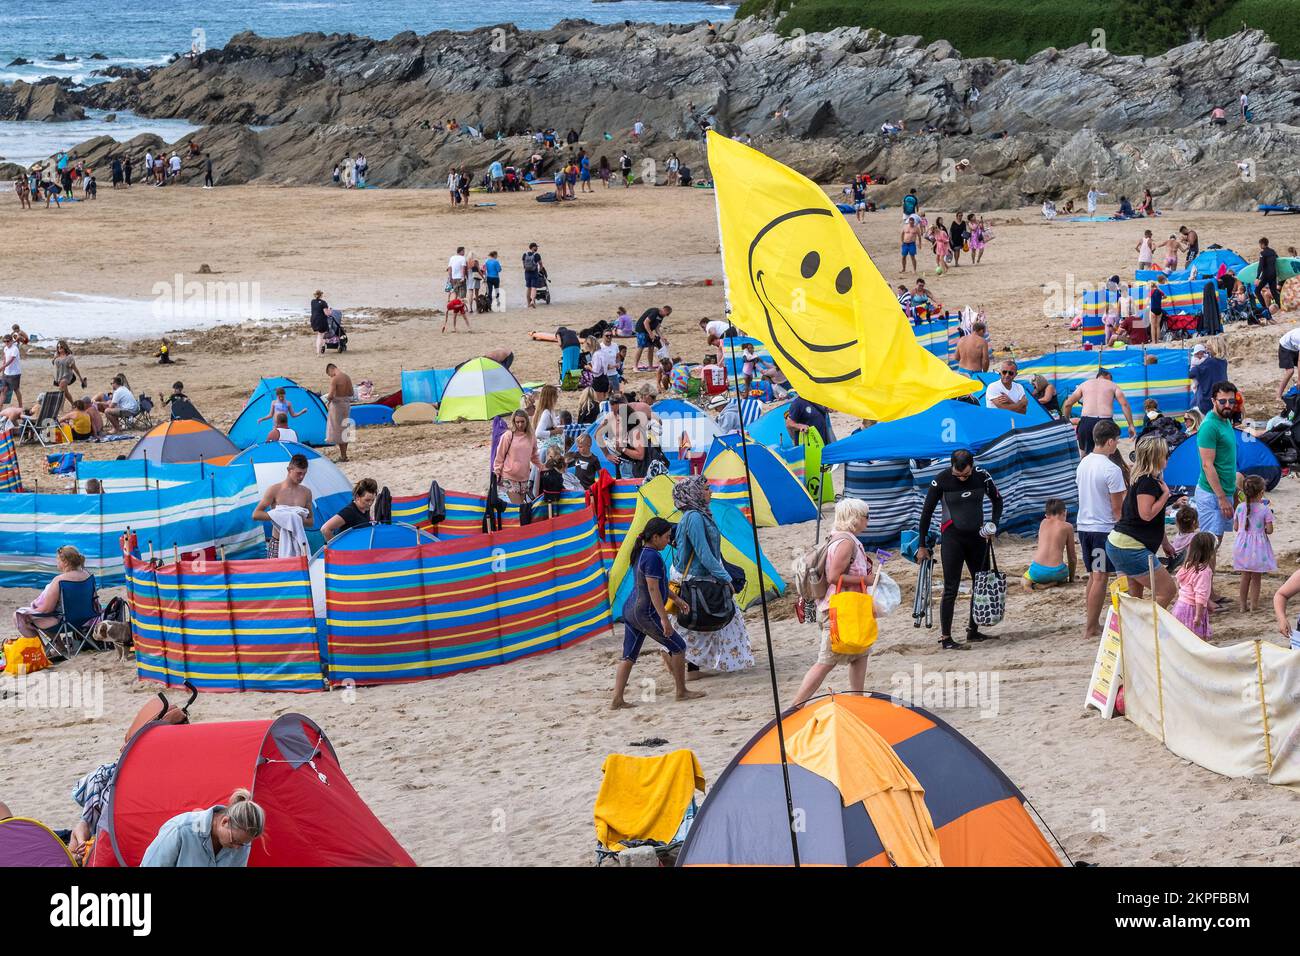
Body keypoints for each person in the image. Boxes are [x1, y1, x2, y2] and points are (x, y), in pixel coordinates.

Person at [611, 517, 704, 709]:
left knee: (628, 656)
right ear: (655, 537)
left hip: (630, 610)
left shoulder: (642, 552)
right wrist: (664, 619)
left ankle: (617, 700)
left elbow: (659, 585)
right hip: (645, 613)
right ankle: (681, 691)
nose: (668, 541)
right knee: (678, 646)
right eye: (666, 537)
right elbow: (653, 589)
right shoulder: (652, 557)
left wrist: (676, 599)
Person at [790, 498, 876, 707]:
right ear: (855, 519)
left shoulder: (840, 538)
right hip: (839, 608)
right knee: (826, 660)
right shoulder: (846, 542)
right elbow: (834, 576)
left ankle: (858, 698)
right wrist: (865, 580)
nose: (868, 521)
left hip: (850, 605)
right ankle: (795, 706)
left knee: (860, 652)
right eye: (866, 516)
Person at [917, 449, 1003, 650]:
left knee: (981, 584)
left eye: (965, 474)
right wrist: (922, 545)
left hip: (978, 538)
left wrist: (994, 524)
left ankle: (973, 631)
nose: (962, 478)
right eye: (958, 475)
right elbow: (926, 513)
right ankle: (946, 638)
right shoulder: (942, 479)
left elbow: (998, 501)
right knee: (950, 588)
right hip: (952, 539)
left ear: (972, 466)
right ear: (952, 467)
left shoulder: (982, 476)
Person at [670, 475, 753, 677]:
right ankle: (682, 664)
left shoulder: (700, 514)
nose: (711, 491)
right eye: (706, 488)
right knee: (699, 619)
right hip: (695, 579)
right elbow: (704, 554)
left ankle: (690, 667)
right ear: (695, 493)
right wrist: (726, 578)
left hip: (700, 577)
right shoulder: (694, 517)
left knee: (697, 622)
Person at [1105, 437, 1176, 606]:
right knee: (1167, 591)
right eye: (1166, 454)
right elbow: (1147, 515)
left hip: (1121, 544)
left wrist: (1164, 543)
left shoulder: (1143, 479)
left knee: (1134, 599)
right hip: (1129, 547)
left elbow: (1153, 519)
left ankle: (1136, 630)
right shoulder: (1147, 482)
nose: (1168, 457)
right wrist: (1165, 496)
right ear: (1156, 456)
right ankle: (1148, 629)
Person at [1076, 420, 1126, 639]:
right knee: (1100, 577)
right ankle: (1090, 628)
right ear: (1110, 441)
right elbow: (1117, 509)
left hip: (1084, 526)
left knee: (1093, 577)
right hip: (1101, 528)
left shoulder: (1084, 462)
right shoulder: (1111, 469)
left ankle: (1092, 622)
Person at [140, 789, 265, 867]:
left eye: (243, 844)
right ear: (225, 821)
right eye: (235, 841)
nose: (237, 847)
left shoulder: (242, 842)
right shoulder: (180, 830)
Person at [14, 545, 95, 638]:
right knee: (49, 614)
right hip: (86, 618)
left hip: (64, 622)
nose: (56, 562)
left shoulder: (59, 580)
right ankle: (59, 647)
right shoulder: (88, 575)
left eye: (58, 559)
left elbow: (46, 610)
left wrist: (31, 610)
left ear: (66, 562)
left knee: (18, 615)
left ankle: (42, 649)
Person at [1195, 380, 1238, 542]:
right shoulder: (1209, 426)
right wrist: (1222, 498)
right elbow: (1207, 465)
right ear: (1213, 401)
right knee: (1209, 545)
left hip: (1225, 491)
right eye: (1222, 401)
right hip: (1212, 494)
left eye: (1231, 401)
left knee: (1215, 543)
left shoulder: (1225, 420)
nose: (1227, 405)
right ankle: (1194, 568)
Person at [252, 454, 315, 557]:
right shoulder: (275, 490)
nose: (301, 477)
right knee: (275, 573)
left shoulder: (306, 492)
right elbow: (256, 514)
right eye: (299, 473)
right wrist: (281, 516)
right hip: (278, 541)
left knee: (299, 573)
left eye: (304, 474)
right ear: (289, 469)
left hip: (297, 541)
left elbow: (311, 521)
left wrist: (295, 519)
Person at [1060, 369, 1134, 454]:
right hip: (1106, 423)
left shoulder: (1084, 384)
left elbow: (1068, 404)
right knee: (1106, 455)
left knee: (1084, 455)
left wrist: (1066, 421)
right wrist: (1130, 425)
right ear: (1108, 378)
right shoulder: (1113, 385)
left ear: (1098, 377)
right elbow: (1124, 405)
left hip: (1086, 422)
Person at [1233, 475, 1275, 612]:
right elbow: (1269, 530)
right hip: (1258, 548)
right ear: (1261, 493)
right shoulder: (1265, 509)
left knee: (1245, 576)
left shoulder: (1239, 507)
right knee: (1256, 577)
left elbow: (1235, 527)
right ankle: (1254, 606)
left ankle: (1242, 606)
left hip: (1242, 547)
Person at [1022, 498, 1076, 589]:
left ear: (1046, 515)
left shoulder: (1043, 523)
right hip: (1058, 571)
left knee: (1024, 578)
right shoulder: (1068, 527)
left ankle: (1028, 585)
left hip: (1038, 572)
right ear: (1065, 512)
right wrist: (1071, 579)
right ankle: (1053, 583)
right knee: (1062, 577)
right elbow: (1072, 558)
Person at [1172, 532, 1217, 639]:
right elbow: (1200, 594)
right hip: (1192, 610)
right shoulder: (1204, 571)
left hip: (1180, 606)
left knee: (1183, 640)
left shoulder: (1188, 565)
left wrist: (1208, 603)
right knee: (1197, 641)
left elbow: (1181, 582)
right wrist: (1198, 615)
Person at [494, 409, 541, 504]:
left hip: (524, 478)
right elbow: (500, 455)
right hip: (509, 477)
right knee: (519, 506)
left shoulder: (531, 436)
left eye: (522, 422)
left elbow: (534, 455)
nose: (520, 425)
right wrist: (497, 471)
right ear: (514, 422)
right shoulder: (508, 436)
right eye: (517, 422)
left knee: (521, 507)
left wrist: (542, 466)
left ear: (527, 421)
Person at [320, 478, 378, 542]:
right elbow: (325, 529)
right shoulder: (349, 512)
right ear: (357, 497)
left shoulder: (365, 508)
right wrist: (338, 547)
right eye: (367, 500)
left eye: (373, 500)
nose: (370, 503)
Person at [1189, 340, 1228, 412]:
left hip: (1207, 400)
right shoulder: (1224, 362)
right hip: (1221, 398)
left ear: (1214, 348)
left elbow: (1191, 374)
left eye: (1209, 348)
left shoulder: (1209, 362)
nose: (1207, 350)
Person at [325, 363, 353, 462]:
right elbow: (351, 393)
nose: (330, 376)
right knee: (345, 429)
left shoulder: (335, 379)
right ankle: (344, 455)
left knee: (338, 430)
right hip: (346, 404)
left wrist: (327, 399)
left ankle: (343, 455)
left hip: (337, 406)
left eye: (330, 374)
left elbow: (331, 395)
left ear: (331, 370)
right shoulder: (347, 377)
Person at [51, 340, 85, 408]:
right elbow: (53, 363)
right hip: (59, 376)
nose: (59, 348)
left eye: (61, 347)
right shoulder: (56, 355)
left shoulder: (69, 357)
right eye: (58, 347)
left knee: (61, 391)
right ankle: (73, 404)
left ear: (64, 347)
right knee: (65, 393)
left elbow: (75, 368)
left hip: (67, 376)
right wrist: (55, 357)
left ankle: (60, 407)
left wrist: (80, 378)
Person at [1255, 237, 1280, 317]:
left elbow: (1260, 266)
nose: (1259, 246)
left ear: (1262, 244)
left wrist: (1257, 277)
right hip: (1273, 274)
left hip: (1266, 275)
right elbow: (1278, 260)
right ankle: (1280, 307)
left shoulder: (1262, 253)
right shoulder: (1273, 251)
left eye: (1260, 244)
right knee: (1274, 291)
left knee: (1257, 291)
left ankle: (1265, 308)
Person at [1276, 325, 1300, 399]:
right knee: (1290, 371)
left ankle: (1296, 387)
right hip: (1285, 346)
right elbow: (1299, 361)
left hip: (1295, 347)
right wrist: (1299, 380)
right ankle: (1278, 396)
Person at [1, 333, 21, 410]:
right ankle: (0, 407)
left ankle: (20, 406)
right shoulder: (5, 348)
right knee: (3, 390)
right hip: (6, 373)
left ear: (11, 341)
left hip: (15, 373)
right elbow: (5, 360)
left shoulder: (15, 349)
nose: (6, 343)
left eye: (8, 341)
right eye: (4, 341)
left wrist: (2, 367)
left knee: (16, 390)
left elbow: (11, 360)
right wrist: (3, 372)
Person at [522, 243, 545, 308]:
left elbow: (523, 264)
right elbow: (540, 264)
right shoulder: (537, 255)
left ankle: (528, 303)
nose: (537, 248)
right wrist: (540, 270)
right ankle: (532, 301)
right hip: (534, 273)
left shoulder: (525, 254)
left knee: (528, 288)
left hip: (527, 273)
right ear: (533, 247)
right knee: (534, 288)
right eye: (536, 247)